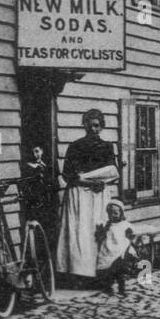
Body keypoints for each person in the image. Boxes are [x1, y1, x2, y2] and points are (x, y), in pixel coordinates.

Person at [54, 109, 118, 282]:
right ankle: (79, 273)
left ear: (101, 127)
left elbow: (112, 170)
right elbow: (68, 175)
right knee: (80, 232)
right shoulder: (75, 146)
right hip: (80, 194)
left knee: (99, 230)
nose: (93, 130)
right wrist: (88, 182)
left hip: (99, 195)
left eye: (97, 126)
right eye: (89, 126)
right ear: (84, 126)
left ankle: (100, 272)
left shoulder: (107, 146)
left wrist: (103, 182)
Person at [95, 200, 141, 296]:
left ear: (121, 213)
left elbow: (131, 236)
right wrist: (100, 231)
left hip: (120, 251)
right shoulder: (107, 225)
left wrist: (131, 239)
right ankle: (108, 288)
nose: (113, 215)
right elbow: (100, 237)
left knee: (120, 272)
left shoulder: (125, 225)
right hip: (108, 249)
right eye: (111, 213)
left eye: (116, 212)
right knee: (108, 271)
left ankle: (121, 289)